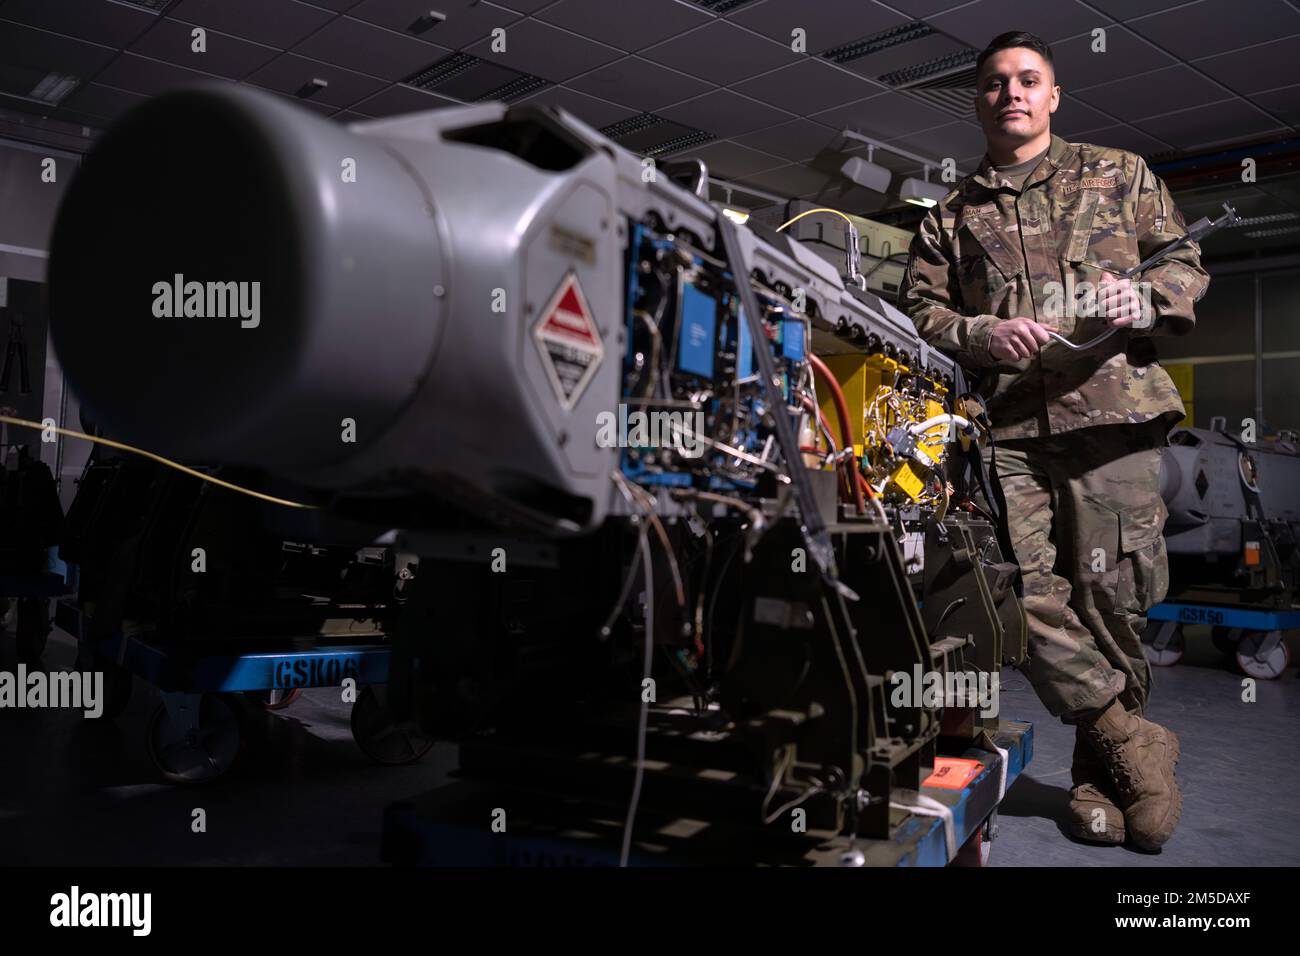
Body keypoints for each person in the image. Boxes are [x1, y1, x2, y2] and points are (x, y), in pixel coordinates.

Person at [899, 30, 1209, 851]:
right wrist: (980, 331)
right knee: (1016, 595)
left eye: (1028, 80)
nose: (1012, 93)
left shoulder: (1118, 173)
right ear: (978, 99)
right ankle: (1130, 742)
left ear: (1054, 95)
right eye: (996, 82)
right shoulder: (949, 217)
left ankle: (1094, 781)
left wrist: (1145, 298)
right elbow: (922, 315)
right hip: (1005, 431)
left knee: (1112, 599)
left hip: (1112, 414)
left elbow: (1183, 261)